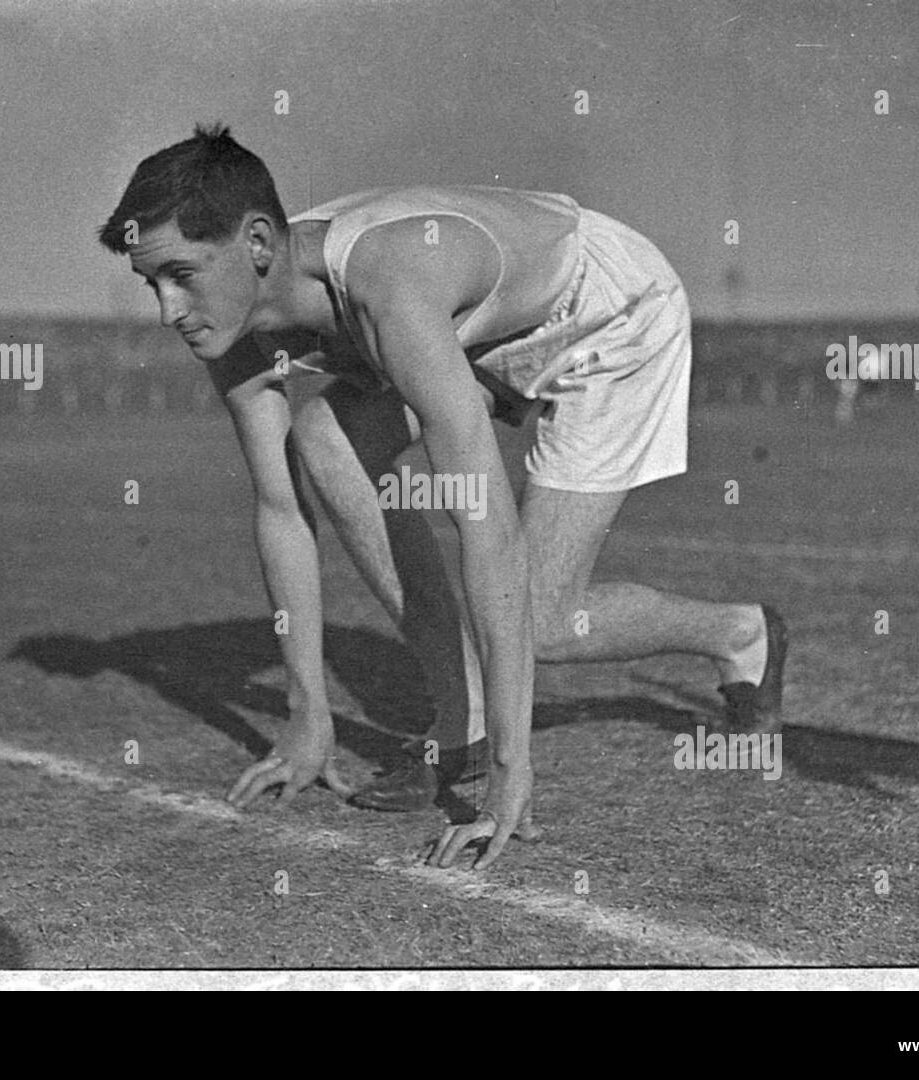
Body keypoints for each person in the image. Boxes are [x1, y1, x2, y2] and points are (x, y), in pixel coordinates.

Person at [99, 124, 788, 870]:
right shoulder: (239, 327)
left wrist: (510, 779)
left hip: (606, 313)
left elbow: (485, 524)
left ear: (258, 242)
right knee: (326, 444)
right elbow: (281, 511)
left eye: (182, 275)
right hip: (483, 329)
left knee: (545, 619)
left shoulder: (390, 285)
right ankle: (461, 723)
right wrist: (307, 715)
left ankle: (740, 635)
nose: (168, 309)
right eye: (152, 284)